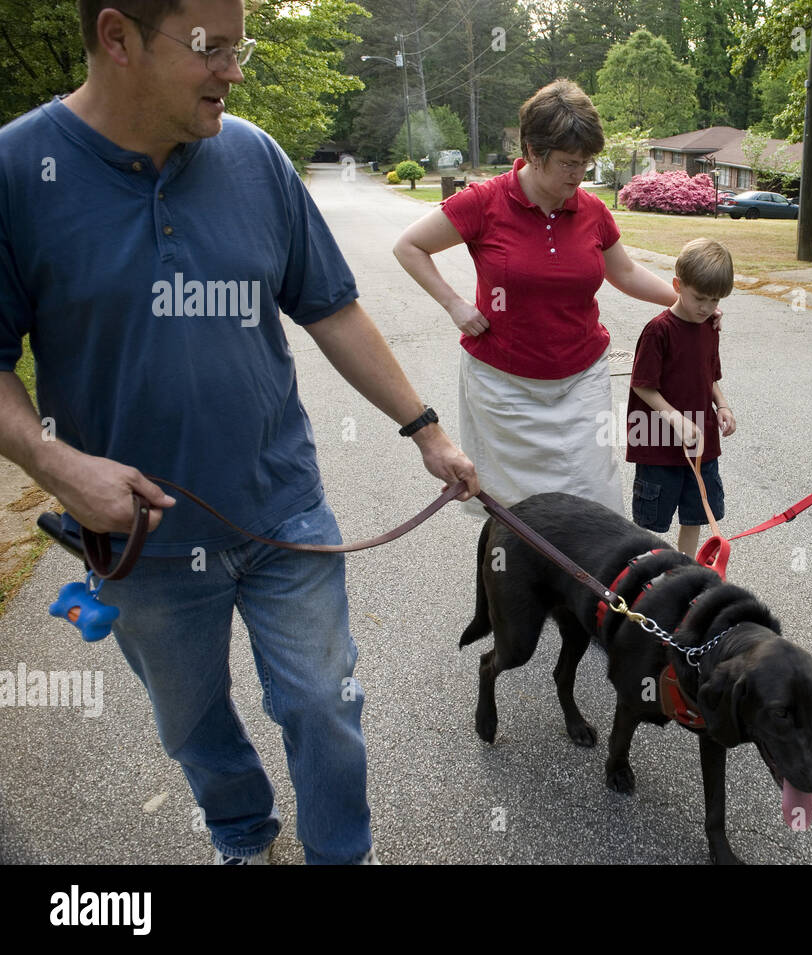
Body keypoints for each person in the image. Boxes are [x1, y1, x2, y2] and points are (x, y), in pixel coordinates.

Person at [0, 0, 477, 864]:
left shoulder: (252, 157)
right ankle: (240, 830)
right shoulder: (15, 170)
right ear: (117, 38)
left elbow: (330, 308)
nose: (235, 69)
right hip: (137, 541)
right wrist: (52, 461)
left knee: (324, 702)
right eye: (209, 48)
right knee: (189, 720)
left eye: (240, 46)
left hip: (281, 507)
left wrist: (426, 429)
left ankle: (343, 852)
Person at [394, 79, 703, 516]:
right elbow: (409, 246)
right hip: (503, 383)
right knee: (513, 505)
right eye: (567, 163)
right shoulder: (484, 202)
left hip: (581, 377)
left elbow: (627, 273)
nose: (578, 175)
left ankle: (587, 583)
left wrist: (685, 304)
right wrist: (454, 304)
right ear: (532, 151)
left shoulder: (593, 211)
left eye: (585, 163)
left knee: (591, 492)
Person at [626, 238, 736, 555]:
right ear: (677, 285)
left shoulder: (709, 325)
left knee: (697, 514)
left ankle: (686, 571)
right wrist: (674, 418)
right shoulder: (658, 331)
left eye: (715, 299)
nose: (706, 307)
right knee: (651, 521)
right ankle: (645, 572)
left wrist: (723, 404)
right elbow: (641, 384)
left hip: (701, 444)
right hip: (658, 441)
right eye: (699, 297)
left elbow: (709, 373)